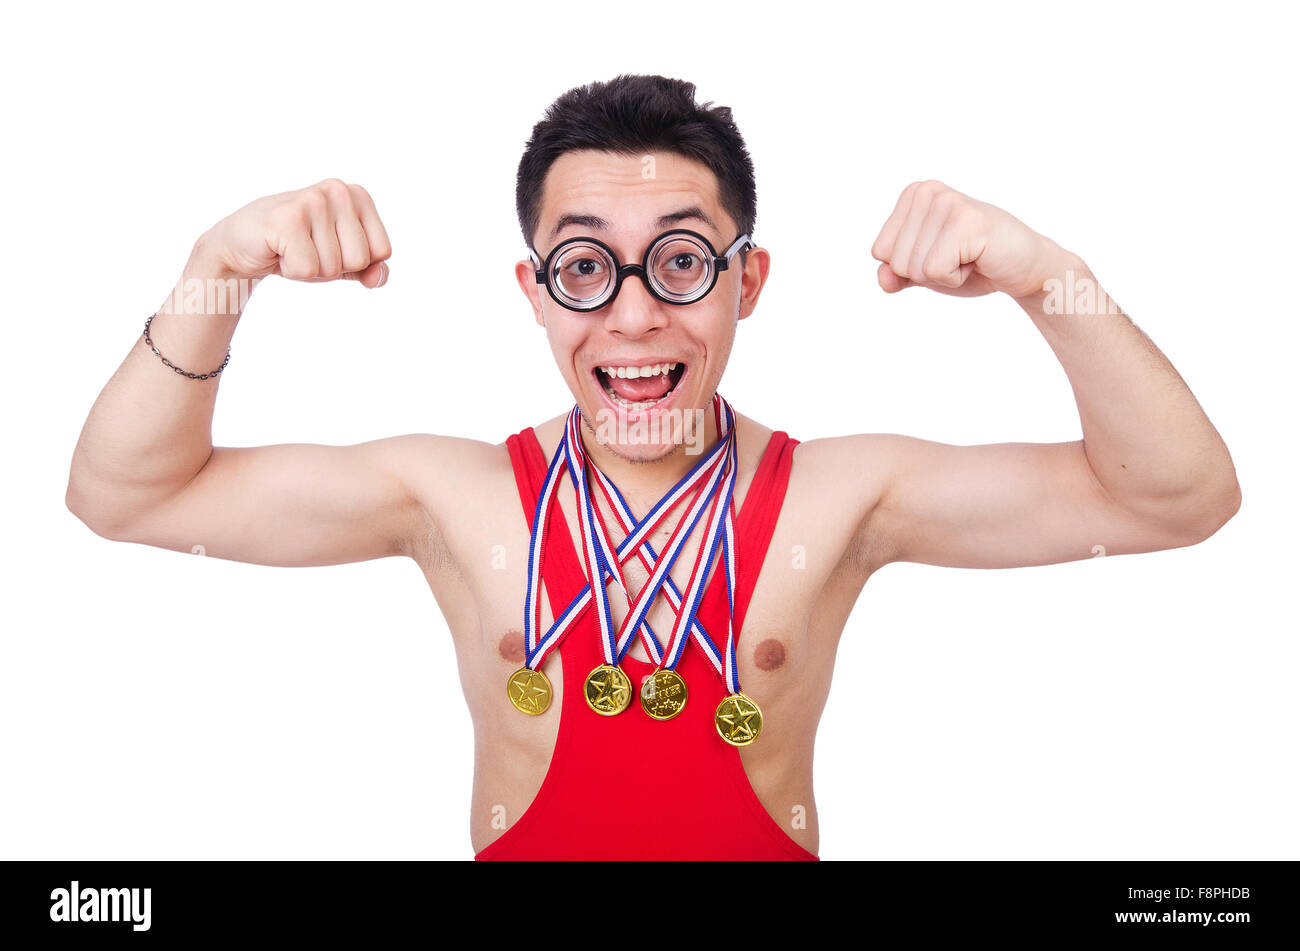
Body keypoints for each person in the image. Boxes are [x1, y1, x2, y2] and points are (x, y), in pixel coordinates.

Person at [65, 74, 1241, 860]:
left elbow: (1176, 498)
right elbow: (125, 496)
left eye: (679, 263)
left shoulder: (841, 498)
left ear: (746, 283)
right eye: (583, 269)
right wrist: (218, 265)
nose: (631, 318)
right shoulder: (451, 496)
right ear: (534, 294)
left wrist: (1048, 277)